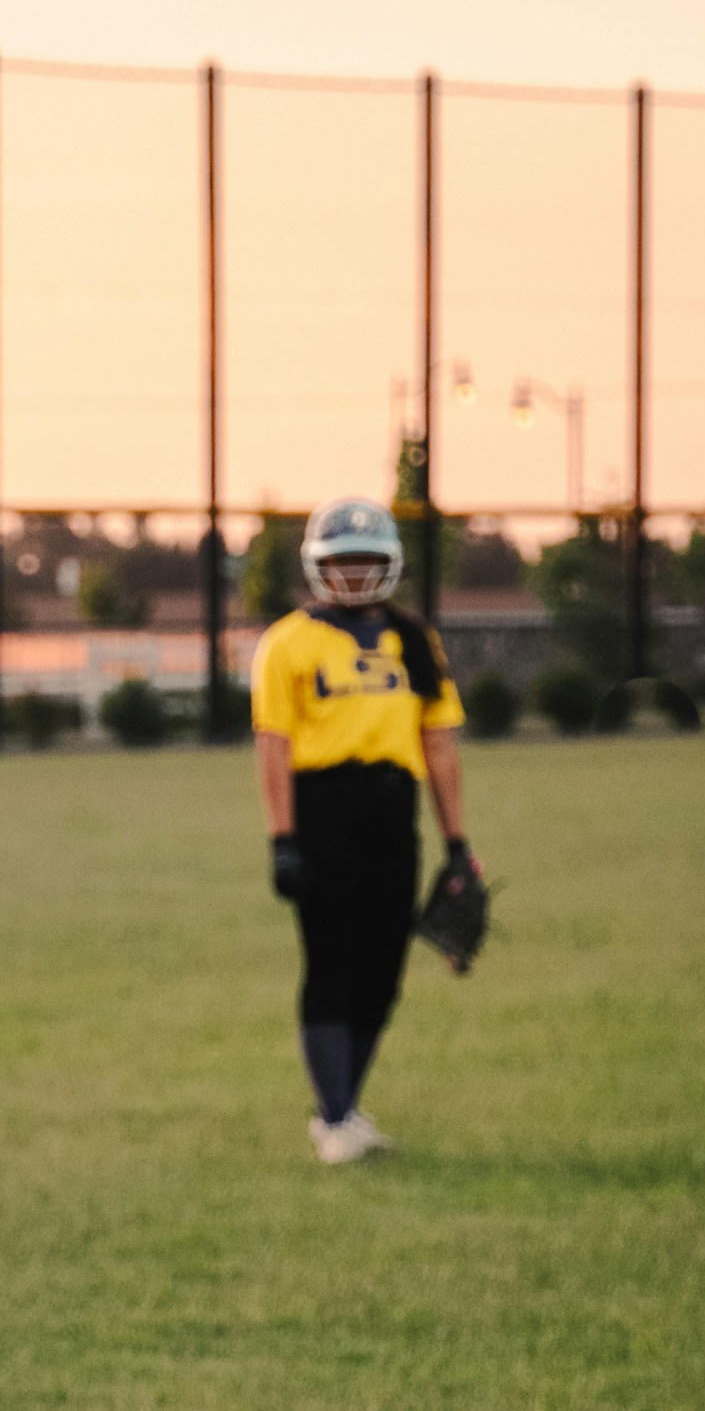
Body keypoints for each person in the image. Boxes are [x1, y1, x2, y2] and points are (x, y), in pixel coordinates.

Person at [251, 497, 480, 1164]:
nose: (353, 575)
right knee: (332, 962)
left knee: (383, 970)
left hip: (392, 812)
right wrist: (283, 839)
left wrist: (457, 843)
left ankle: (342, 1112)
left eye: (366, 561)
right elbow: (274, 748)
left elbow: (438, 745)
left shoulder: (415, 640)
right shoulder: (287, 643)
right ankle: (335, 1115)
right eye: (340, 562)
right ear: (317, 567)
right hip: (323, 811)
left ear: (391, 565)